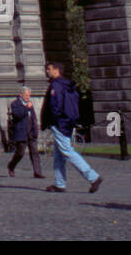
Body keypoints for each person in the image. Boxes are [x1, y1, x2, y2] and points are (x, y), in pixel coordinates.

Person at [41, 62, 101, 194]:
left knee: (67, 151)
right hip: (67, 122)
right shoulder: (68, 84)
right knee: (58, 155)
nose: (47, 71)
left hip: (59, 123)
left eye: (49, 69)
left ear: (57, 70)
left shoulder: (56, 85)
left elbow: (55, 106)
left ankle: (93, 177)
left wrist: (52, 120)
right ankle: (59, 183)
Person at [7, 87, 45, 179]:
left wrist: (36, 129)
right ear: (21, 95)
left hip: (31, 132)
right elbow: (18, 115)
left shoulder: (30, 104)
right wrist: (26, 108)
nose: (28, 97)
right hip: (21, 132)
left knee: (34, 153)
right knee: (20, 153)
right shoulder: (15, 104)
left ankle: (37, 172)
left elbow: (33, 117)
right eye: (26, 95)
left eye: (29, 95)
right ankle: (11, 166)